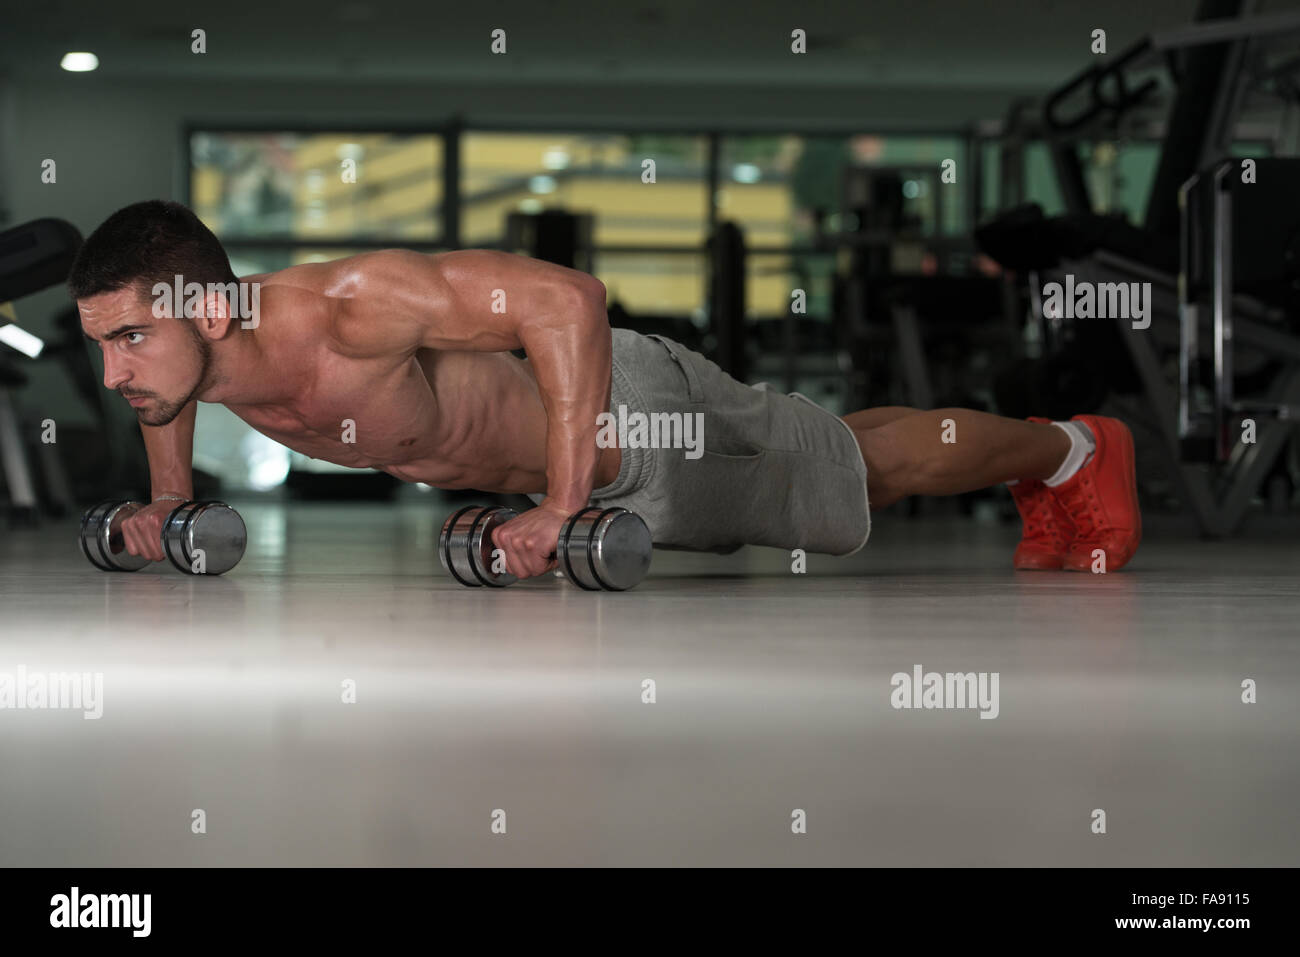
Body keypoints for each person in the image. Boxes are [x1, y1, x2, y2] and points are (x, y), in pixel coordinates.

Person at [68, 200, 1141, 579]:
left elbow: (568, 300)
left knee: (866, 471)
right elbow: (169, 396)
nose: (116, 374)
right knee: (818, 438)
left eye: (129, 340)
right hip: (584, 469)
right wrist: (166, 504)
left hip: (637, 433)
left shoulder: (349, 306)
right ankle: (1053, 463)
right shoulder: (193, 360)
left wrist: (566, 505)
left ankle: (1077, 451)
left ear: (210, 308)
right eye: (102, 347)